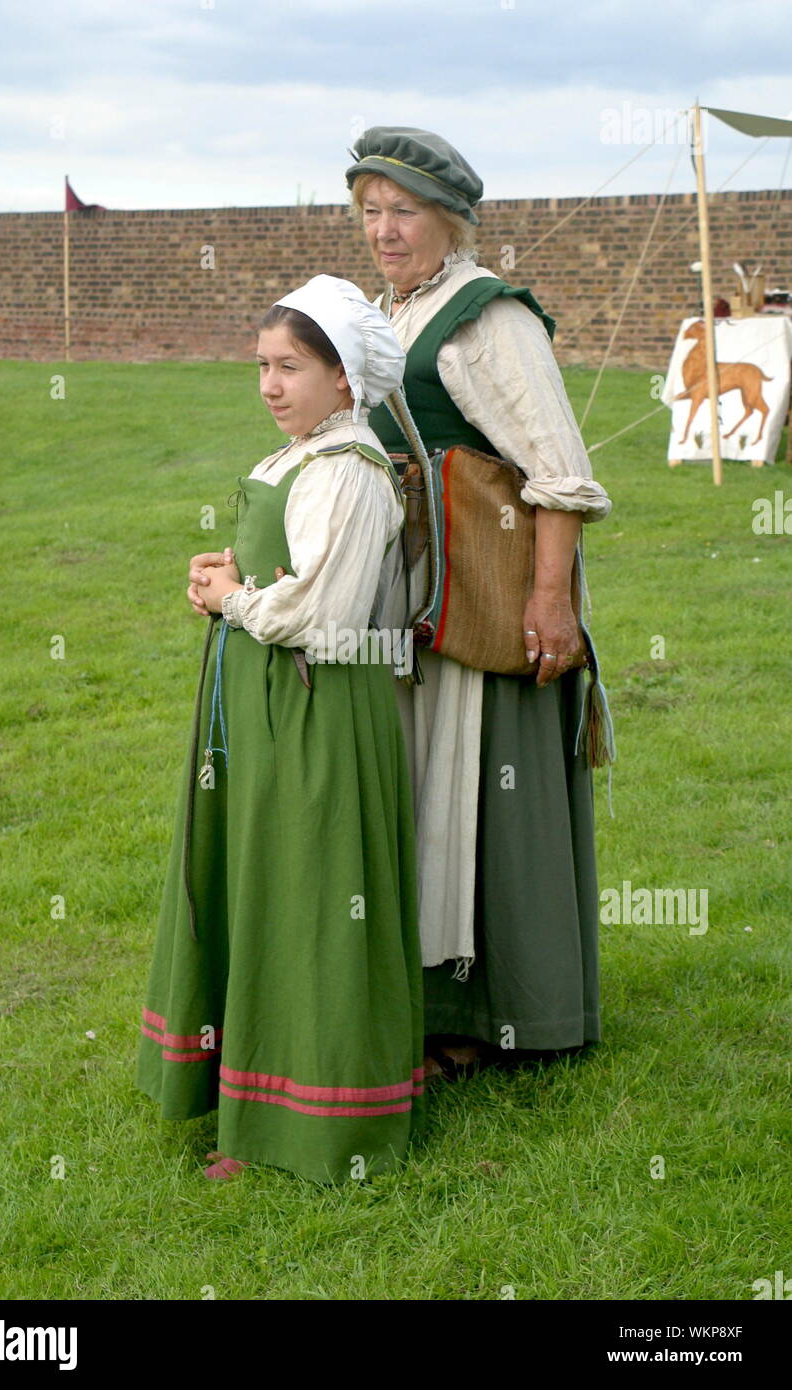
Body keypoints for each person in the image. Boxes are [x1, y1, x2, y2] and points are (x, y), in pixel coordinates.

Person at [138, 275, 425, 1182]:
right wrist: (228, 579)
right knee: (259, 887)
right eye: (262, 364)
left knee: (308, 901)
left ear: (345, 380)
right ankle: (241, 1094)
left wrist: (238, 601)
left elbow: (326, 613)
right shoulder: (299, 457)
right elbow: (284, 572)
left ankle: (306, 1120)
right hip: (262, 705)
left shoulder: (348, 470)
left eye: (291, 367)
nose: (269, 384)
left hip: (315, 712)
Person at [343, 127, 613, 1075]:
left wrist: (549, 603)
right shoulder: (392, 313)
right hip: (414, 590)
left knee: (487, 782)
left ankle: (514, 1010)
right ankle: (434, 1004)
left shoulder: (488, 318)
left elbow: (562, 474)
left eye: (402, 212)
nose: (383, 230)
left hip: (488, 590)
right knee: (425, 784)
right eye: (371, 211)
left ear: (449, 219)